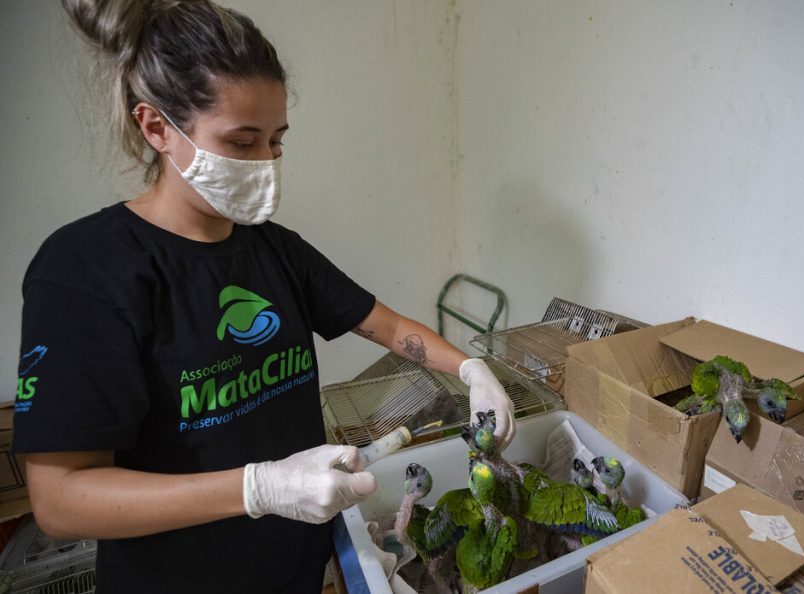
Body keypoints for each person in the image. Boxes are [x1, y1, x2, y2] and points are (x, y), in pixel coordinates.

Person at [12, 1, 516, 592]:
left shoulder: (273, 250)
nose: (267, 163)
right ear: (156, 128)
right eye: (242, 142)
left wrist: (470, 368)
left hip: (292, 566)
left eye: (276, 140)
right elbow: (62, 500)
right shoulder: (87, 272)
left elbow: (385, 325)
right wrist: (260, 488)